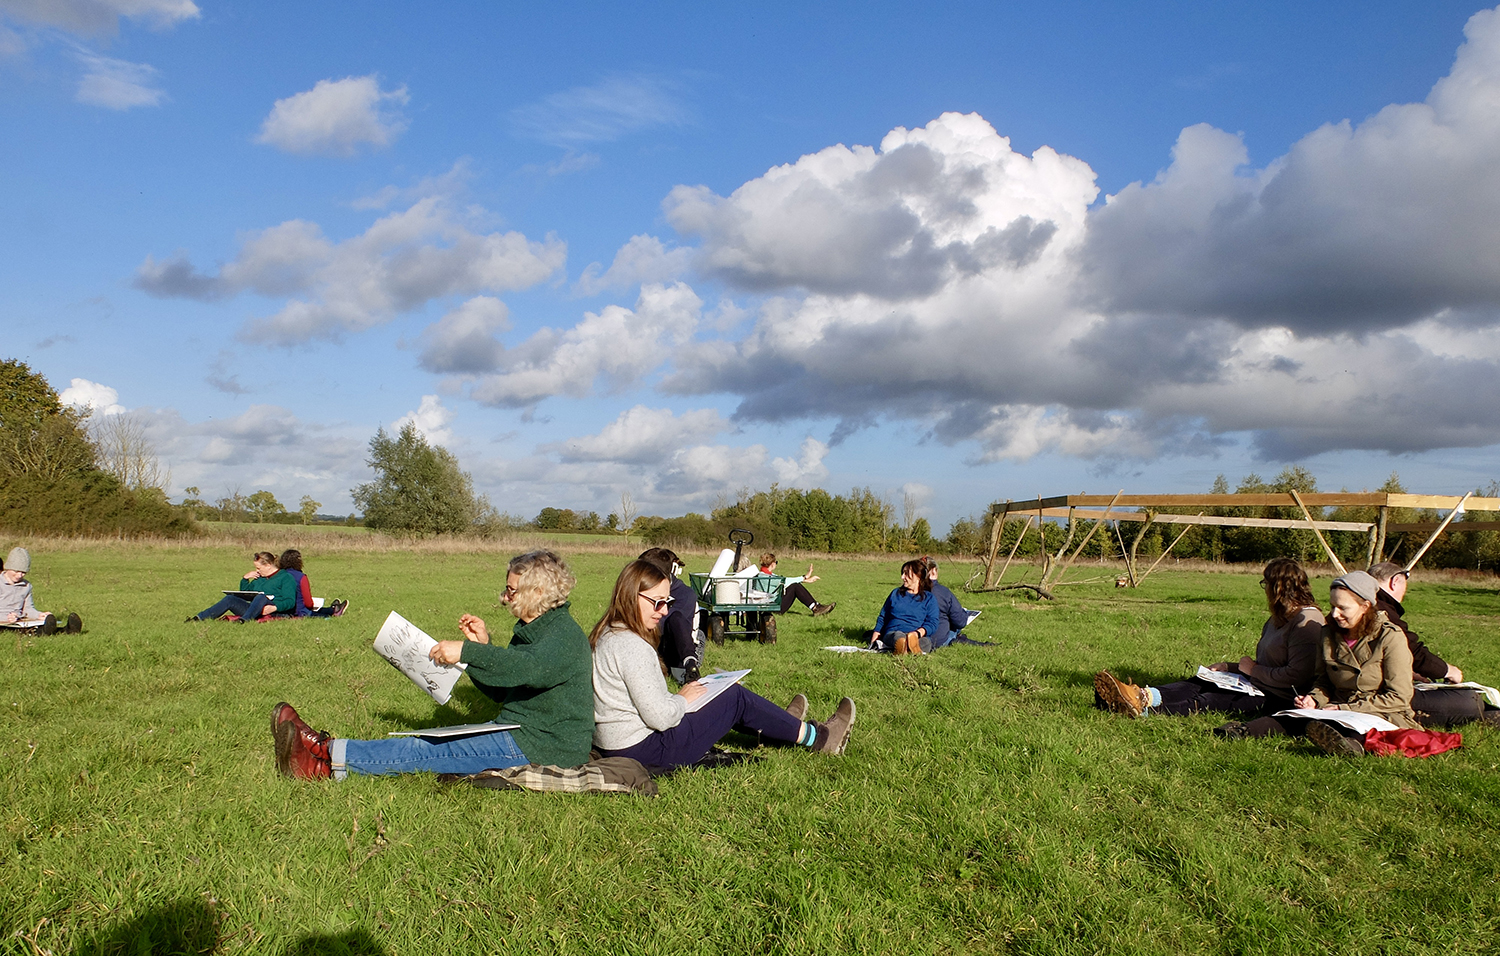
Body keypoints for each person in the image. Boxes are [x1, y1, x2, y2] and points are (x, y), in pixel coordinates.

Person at [273, 550, 594, 780]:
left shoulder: (562, 636)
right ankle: (326, 750)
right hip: (520, 733)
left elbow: (528, 667)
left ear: (537, 592)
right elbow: (504, 690)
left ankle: (321, 764)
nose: (505, 597)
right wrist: (481, 650)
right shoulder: (536, 628)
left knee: (427, 751)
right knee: (432, 742)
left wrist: (469, 651)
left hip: (544, 748)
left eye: (512, 590)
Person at [590, 559, 855, 771]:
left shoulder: (610, 634)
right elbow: (660, 717)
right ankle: (820, 738)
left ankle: (781, 725)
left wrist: (683, 698)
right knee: (733, 697)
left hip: (621, 745)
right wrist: (682, 699)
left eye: (667, 602)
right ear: (630, 597)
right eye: (657, 602)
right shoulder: (632, 646)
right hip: (647, 751)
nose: (665, 611)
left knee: (715, 695)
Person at [1095, 558, 1323, 721]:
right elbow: (1268, 662)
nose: (1264, 591)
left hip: (1277, 696)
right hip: (1257, 682)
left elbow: (1297, 677)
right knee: (1200, 682)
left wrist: (1253, 671)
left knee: (1210, 698)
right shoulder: (1277, 619)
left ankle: (1140, 711)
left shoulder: (1306, 622)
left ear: (1278, 588)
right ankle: (1140, 695)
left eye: (1266, 584)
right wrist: (1229, 667)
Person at [1228, 570, 1420, 757]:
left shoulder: (1390, 638)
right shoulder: (1329, 634)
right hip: (1337, 708)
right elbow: (1323, 681)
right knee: (1295, 717)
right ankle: (1242, 730)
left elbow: (1399, 698)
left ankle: (1352, 746)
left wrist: (1344, 709)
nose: (1335, 614)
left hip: (1381, 712)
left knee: (1349, 727)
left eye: (1343, 608)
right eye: (1332, 606)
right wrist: (1313, 699)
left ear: (1365, 606)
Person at [1368, 561, 1490, 728]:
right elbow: (1412, 650)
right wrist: (1447, 671)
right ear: (1394, 581)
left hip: (1374, 688)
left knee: (1468, 699)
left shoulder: (1365, 605)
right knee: (1470, 701)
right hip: (1379, 697)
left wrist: (1406, 672)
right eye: (1405, 588)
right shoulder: (1381, 612)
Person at [638, 547, 704, 682]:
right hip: (646, 644)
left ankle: (689, 665)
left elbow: (674, 627)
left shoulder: (685, 595)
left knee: (676, 618)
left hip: (677, 648)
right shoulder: (641, 589)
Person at [188, 551, 296, 622]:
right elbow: (246, 594)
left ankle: (244, 620)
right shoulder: (259, 578)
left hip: (273, 610)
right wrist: (245, 579)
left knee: (261, 597)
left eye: (258, 568)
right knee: (230, 599)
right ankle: (199, 618)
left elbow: (290, 601)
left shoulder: (286, 578)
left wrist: (274, 608)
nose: (257, 571)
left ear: (268, 565)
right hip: (254, 610)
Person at [0, 547, 82, 635]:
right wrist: (7, 618)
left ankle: (68, 630)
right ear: (8, 567)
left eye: (23, 572)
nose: (19, 575)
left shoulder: (26, 586)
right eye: (16, 571)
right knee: (19, 631)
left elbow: (28, 609)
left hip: (18, 620)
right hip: (4, 622)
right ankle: (50, 632)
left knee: (34, 626)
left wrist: (39, 615)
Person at [868, 558, 940, 655]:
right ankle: (907, 647)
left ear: (917, 576)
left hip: (916, 635)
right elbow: (883, 617)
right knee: (898, 636)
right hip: (894, 632)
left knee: (926, 642)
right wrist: (874, 641)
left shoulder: (929, 598)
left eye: (906, 574)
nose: (902, 577)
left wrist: (917, 633)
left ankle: (905, 648)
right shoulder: (895, 594)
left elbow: (932, 622)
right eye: (902, 573)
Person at [921, 556, 986, 648]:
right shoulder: (942, 592)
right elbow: (960, 622)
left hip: (915, 635)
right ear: (934, 571)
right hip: (937, 639)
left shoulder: (907, 591)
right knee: (954, 625)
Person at [754, 553, 835, 616]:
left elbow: (784, 581)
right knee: (795, 586)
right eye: (776, 562)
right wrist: (804, 577)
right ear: (772, 564)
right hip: (773, 607)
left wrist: (806, 580)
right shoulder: (766, 578)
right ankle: (816, 608)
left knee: (794, 585)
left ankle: (816, 606)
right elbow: (786, 581)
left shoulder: (762, 575)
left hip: (770, 604)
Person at [275, 549, 348, 618]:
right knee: (320, 615)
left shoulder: (278, 575)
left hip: (281, 610)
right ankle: (334, 610)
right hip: (300, 612)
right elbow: (308, 603)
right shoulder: (301, 577)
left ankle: (333, 609)